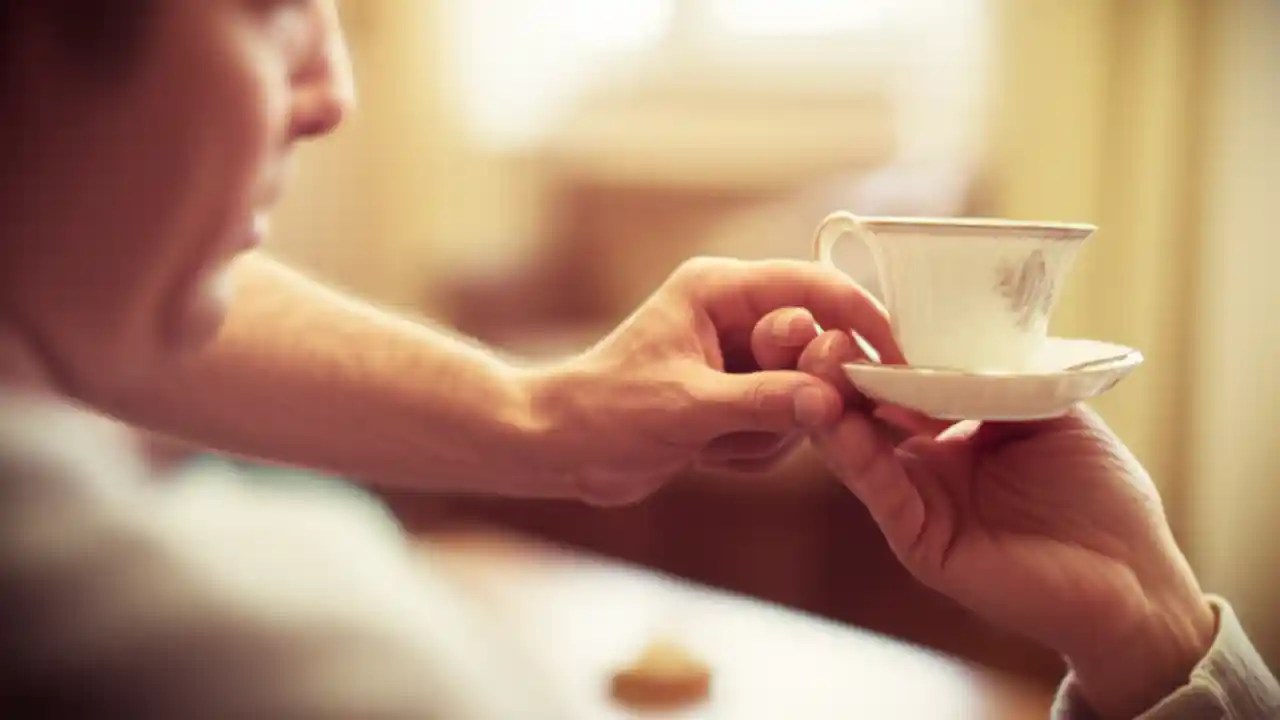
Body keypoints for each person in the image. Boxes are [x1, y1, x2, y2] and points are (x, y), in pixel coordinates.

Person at [0, 1, 1275, 718]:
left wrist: (543, 415)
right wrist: (1178, 677)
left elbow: (104, 282)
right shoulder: (295, 663)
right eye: (268, 1)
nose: (331, 89)